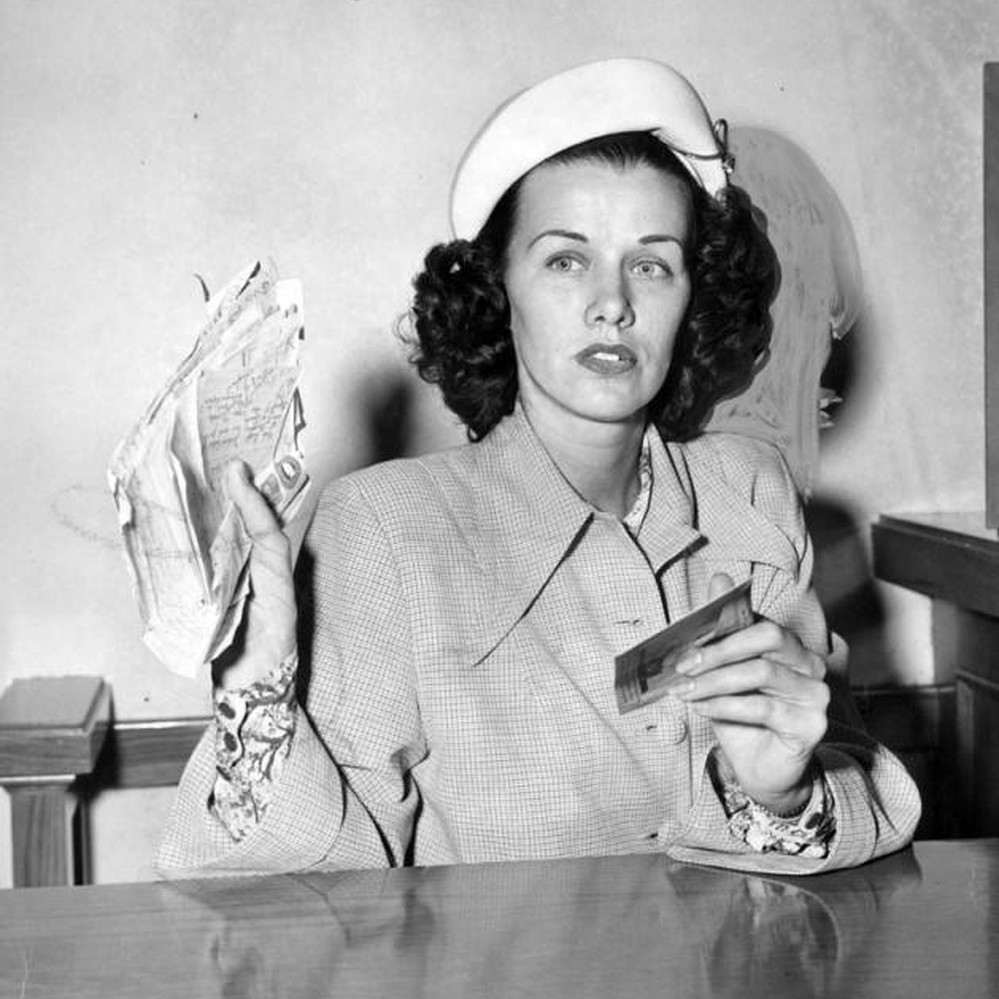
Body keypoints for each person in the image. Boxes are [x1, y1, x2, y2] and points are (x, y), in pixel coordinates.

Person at [158, 57, 920, 877]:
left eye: (651, 264)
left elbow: (855, 790)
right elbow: (324, 888)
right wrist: (255, 687)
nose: (612, 303)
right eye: (565, 260)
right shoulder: (383, 527)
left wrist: (779, 795)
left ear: (690, 299)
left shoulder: (750, 492)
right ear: (498, 293)